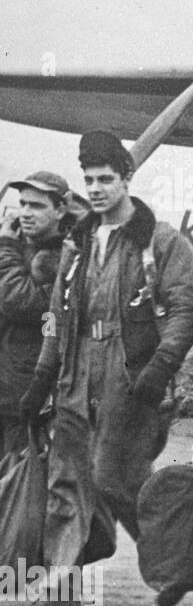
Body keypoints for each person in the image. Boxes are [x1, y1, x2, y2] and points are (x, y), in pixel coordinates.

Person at [5, 131, 193, 606]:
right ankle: (61, 594)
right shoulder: (78, 241)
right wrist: (44, 375)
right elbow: (56, 312)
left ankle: (176, 565)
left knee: (117, 481)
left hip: (129, 373)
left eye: (105, 179)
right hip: (75, 374)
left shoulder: (159, 240)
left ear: (127, 179)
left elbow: (185, 309)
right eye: (89, 179)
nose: (95, 188)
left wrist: (161, 367)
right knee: (66, 483)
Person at [0, 172, 70, 456]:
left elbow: (20, 301)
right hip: (9, 386)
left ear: (60, 210)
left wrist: (5, 246)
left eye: (37, 206)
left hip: (26, 394)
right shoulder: (24, 249)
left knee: (16, 483)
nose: (26, 213)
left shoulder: (62, 258)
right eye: (23, 204)